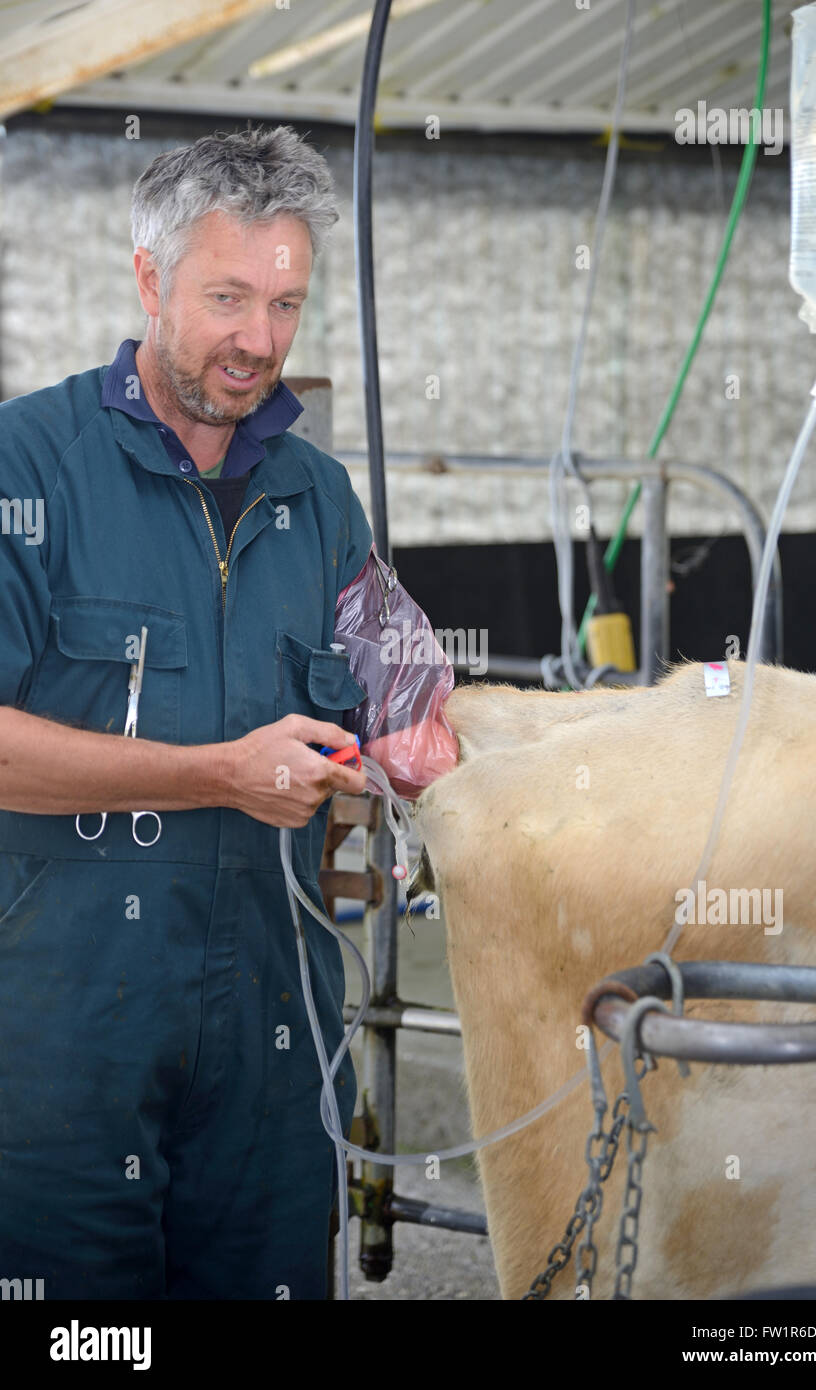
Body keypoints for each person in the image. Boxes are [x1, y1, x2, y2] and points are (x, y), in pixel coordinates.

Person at [0, 124, 455, 1300]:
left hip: (274, 1033)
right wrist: (221, 774)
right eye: (229, 298)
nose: (262, 340)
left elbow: (407, 702)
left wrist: (420, 745)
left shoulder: (322, 493)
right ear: (149, 278)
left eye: (290, 303)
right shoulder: (29, 467)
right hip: (62, 1042)